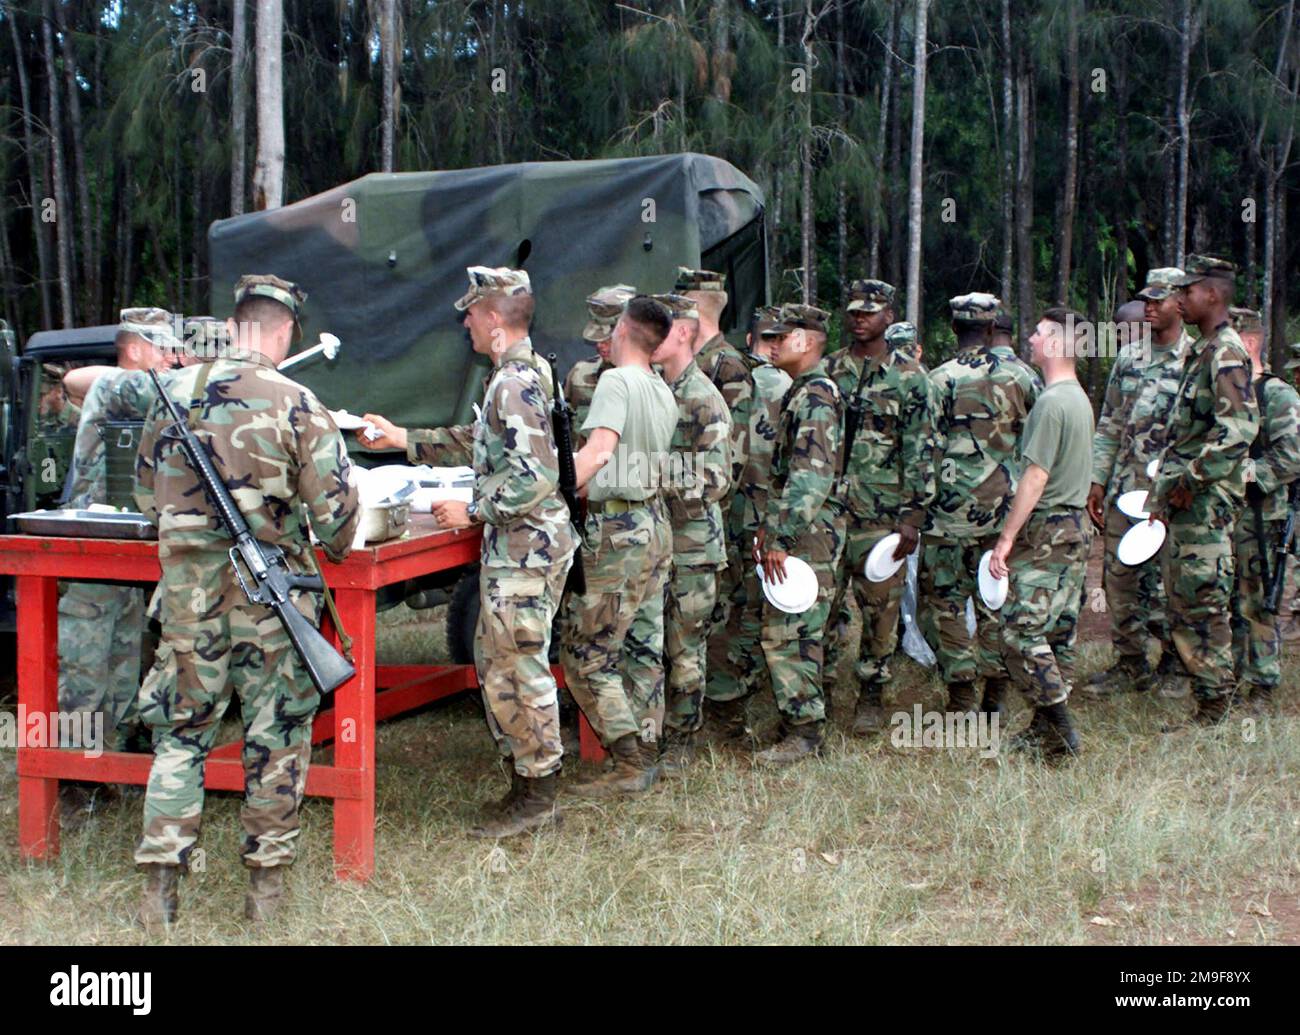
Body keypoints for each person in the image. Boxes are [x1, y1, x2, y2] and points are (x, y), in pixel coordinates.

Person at [134, 275, 361, 928]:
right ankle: (264, 897)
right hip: (272, 613)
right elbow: (341, 529)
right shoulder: (299, 402)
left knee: (179, 738)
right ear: (285, 332)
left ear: (234, 327)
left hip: (187, 608)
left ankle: (159, 890)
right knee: (278, 741)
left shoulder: (171, 394)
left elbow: (148, 503)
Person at [362, 267, 576, 837]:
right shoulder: (518, 375)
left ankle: (540, 796)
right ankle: (526, 785)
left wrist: (473, 511)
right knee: (498, 658)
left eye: (472, 313)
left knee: (519, 665)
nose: (465, 322)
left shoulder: (514, 382)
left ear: (495, 319)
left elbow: (535, 475)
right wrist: (403, 440)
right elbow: (480, 441)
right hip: (520, 545)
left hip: (526, 547)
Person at [559, 295, 678, 796]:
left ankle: (629, 762)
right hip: (654, 522)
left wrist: (550, 488)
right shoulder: (662, 388)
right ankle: (648, 751)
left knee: (585, 652)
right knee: (643, 646)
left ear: (625, 329)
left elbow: (599, 453)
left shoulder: (615, 381)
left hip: (618, 530)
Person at [58, 309, 175, 772]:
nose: (170, 358)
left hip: (127, 549)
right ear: (134, 350)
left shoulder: (141, 393)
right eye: (162, 347)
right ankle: (75, 774)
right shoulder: (117, 389)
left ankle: (116, 763)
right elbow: (79, 379)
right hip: (92, 553)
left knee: (125, 661)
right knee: (86, 668)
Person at [1147, 256, 1259, 728]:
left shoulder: (1226, 352)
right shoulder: (1206, 350)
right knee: (1187, 598)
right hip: (1190, 500)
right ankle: (1209, 697)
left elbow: (1238, 431)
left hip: (1206, 501)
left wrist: (1190, 479)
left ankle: (1216, 705)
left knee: (1204, 600)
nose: (1179, 299)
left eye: (1187, 291)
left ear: (1211, 294)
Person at [823, 279, 935, 733]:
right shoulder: (828, 371)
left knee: (881, 610)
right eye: (853, 311)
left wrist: (913, 517)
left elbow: (922, 449)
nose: (859, 317)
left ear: (889, 317)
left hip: (883, 516)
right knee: (823, 605)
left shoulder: (910, 378)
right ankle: (822, 689)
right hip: (829, 513)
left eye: (870, 311)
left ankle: (871, 690)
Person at [922, 294, 1040, 717]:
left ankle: (960, 695)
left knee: (948, 606)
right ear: (992, 330)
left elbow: (923, 451)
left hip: (946, 516)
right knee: (997, 603)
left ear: (954, 329)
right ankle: (995, 694)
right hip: (1005, 516)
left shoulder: (937, 379)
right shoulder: (1023, 377)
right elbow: (1038, 449)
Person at [989, 308, 1095, 759]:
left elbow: (1035, 475)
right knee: (1059, 629)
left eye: (1037, 333)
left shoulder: (1052, 403)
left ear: (1055, 343)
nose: (1029, 339)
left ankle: (1062, 727)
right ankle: (1044, 732)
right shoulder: (1078, 398)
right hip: (1075, 526)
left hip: (1050, 527)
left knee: (1020, 629)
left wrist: (1007, 537)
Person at [1084, 279, 1191, 698]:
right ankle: (1130, 664)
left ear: (1179, 304)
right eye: (1145, 300)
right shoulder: (1129, 357)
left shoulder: (1195, 360)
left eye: (1157, 300)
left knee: (1170, 581)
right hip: (1124, 488)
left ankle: (1176, 663)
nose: (1148, 307)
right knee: (1120, 579)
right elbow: (1110, 423)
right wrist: (1097, 480)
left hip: (1173, 495)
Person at [753, 304, 847, 765]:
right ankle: (804, 721)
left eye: (781, 336)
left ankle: (804, 733)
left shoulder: (814, 395)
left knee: (790, 631)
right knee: (807, 628)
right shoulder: (806, 391)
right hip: (809, 526)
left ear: (807, 341)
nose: (772, 344)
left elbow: (811, 476)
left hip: (808, 530)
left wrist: (781, 537)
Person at [652, 294, 732, 770]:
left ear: (683, 332)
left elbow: (717, 478)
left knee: (684, 647)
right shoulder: (654, 389)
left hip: (692, 547)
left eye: (660, 328)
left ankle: (682, 738)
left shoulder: (701, 396)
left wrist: (646, 475)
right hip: (654, 541)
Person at [704, 306, 790, 739]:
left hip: (735, 511)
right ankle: (738, 692)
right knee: (754, 608)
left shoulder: (726, 375)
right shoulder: (786, 384)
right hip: (763, 514)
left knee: (733, 607)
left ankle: (730, 697)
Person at [1229, 307, 1300, 713]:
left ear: (1249, 343)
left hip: (1261, 515)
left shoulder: (1276, 393)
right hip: (1226, 516)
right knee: (1230, 600)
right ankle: (1235, 674)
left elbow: (1291, 456)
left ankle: (1262, 683)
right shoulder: (1228, 392)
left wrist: (1247, 476)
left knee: (1257, 601)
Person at [564, 284, 636, 439]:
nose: (599, 345)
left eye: (608, 338)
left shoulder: (657, 380)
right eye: (597, 338)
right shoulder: (579, 375)